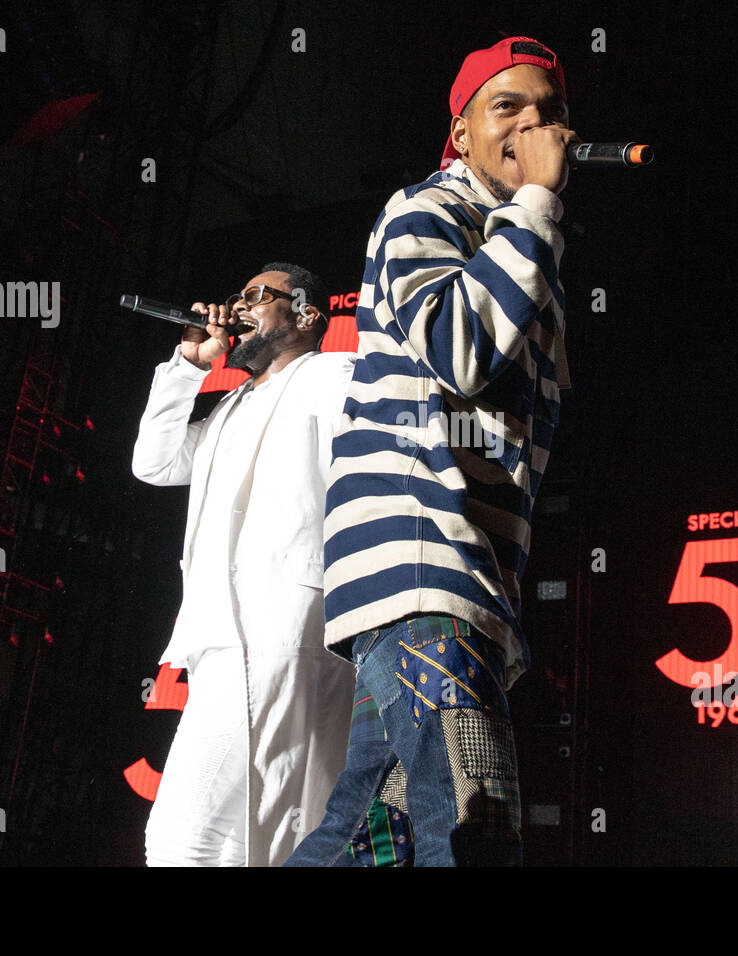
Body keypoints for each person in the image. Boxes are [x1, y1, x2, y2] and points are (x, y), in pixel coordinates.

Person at [287, 36, 577, 867]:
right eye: (507, 107)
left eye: (549, 112)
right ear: (462, 133)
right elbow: (456, 348)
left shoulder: (520, 246)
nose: (532, 124)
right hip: (423, 566)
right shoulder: (427, 212)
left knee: (367, 840)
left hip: (461, 579)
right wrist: (537, 211)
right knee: (476, 827)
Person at [132, 263, 356, 866]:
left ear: (308, 316)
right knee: (256, 845)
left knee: (185, 840)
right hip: (221, 636)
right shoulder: (228, 409)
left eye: (259, 295)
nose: (240, 305)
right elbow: (152, 464)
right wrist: (187, 367)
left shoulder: (333, 375)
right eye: (238, 295)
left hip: (282, 625)